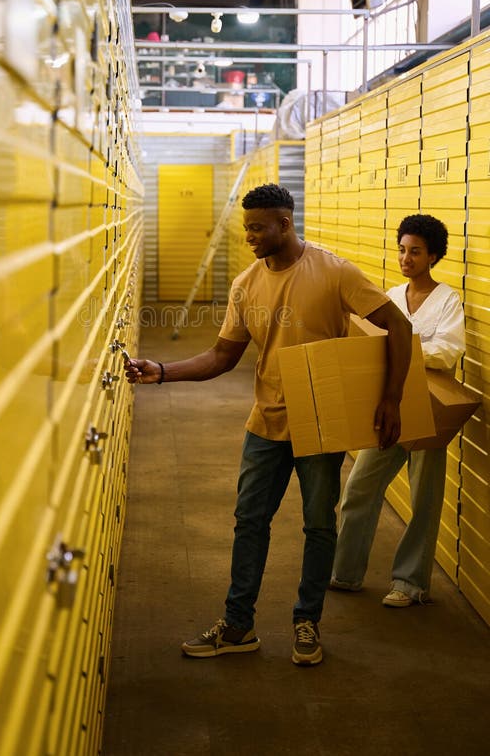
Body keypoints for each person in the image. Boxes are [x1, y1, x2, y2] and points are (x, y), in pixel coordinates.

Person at [124, 184, 412, 665]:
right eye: (247, 228)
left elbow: (397, 326)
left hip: (319, 423)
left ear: (285, 222)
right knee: (249, 523)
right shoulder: (245, 284)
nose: (250, 236)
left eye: (259, 227)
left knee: (319, 525)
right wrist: (163, 372)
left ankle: (307, 622)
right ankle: (238, 626)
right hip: (265, 422)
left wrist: (392, 399)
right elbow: (221, 356)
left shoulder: (333, 271)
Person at [331, 214, 466, 607]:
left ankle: (409, 584)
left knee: (423, 498)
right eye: (403, 250)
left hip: (429, 408)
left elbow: (449, 350)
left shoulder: (447, 300)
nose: (406, 258)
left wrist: (403, 347)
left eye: (416, 252)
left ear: (433, 256)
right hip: (388, 407)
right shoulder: (390, 296)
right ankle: (345, 572)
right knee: (360, 486)